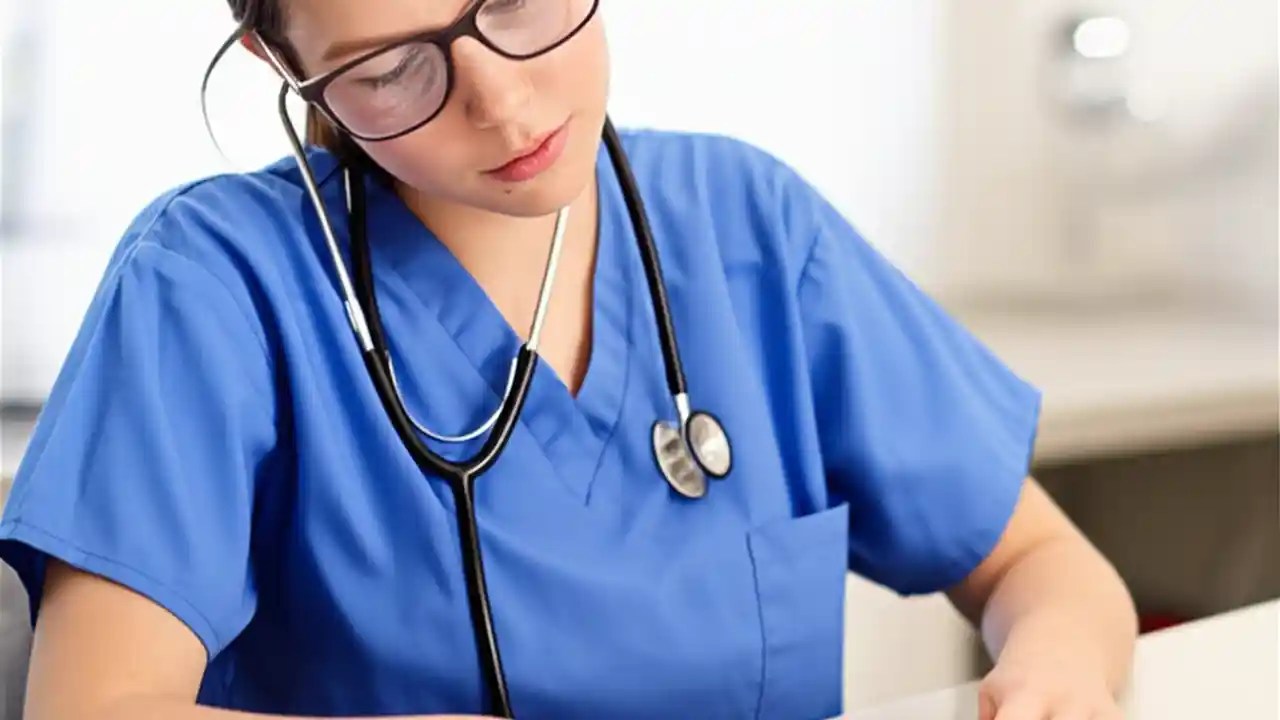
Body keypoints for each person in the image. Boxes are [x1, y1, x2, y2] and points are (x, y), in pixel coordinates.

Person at [0, 1, 1138, 718]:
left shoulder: (748, 228)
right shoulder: (211, 285)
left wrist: (1055, 666)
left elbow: (1042, 564)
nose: (498, 100)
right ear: (276, 60)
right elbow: (92, 708)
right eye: (391, 68)